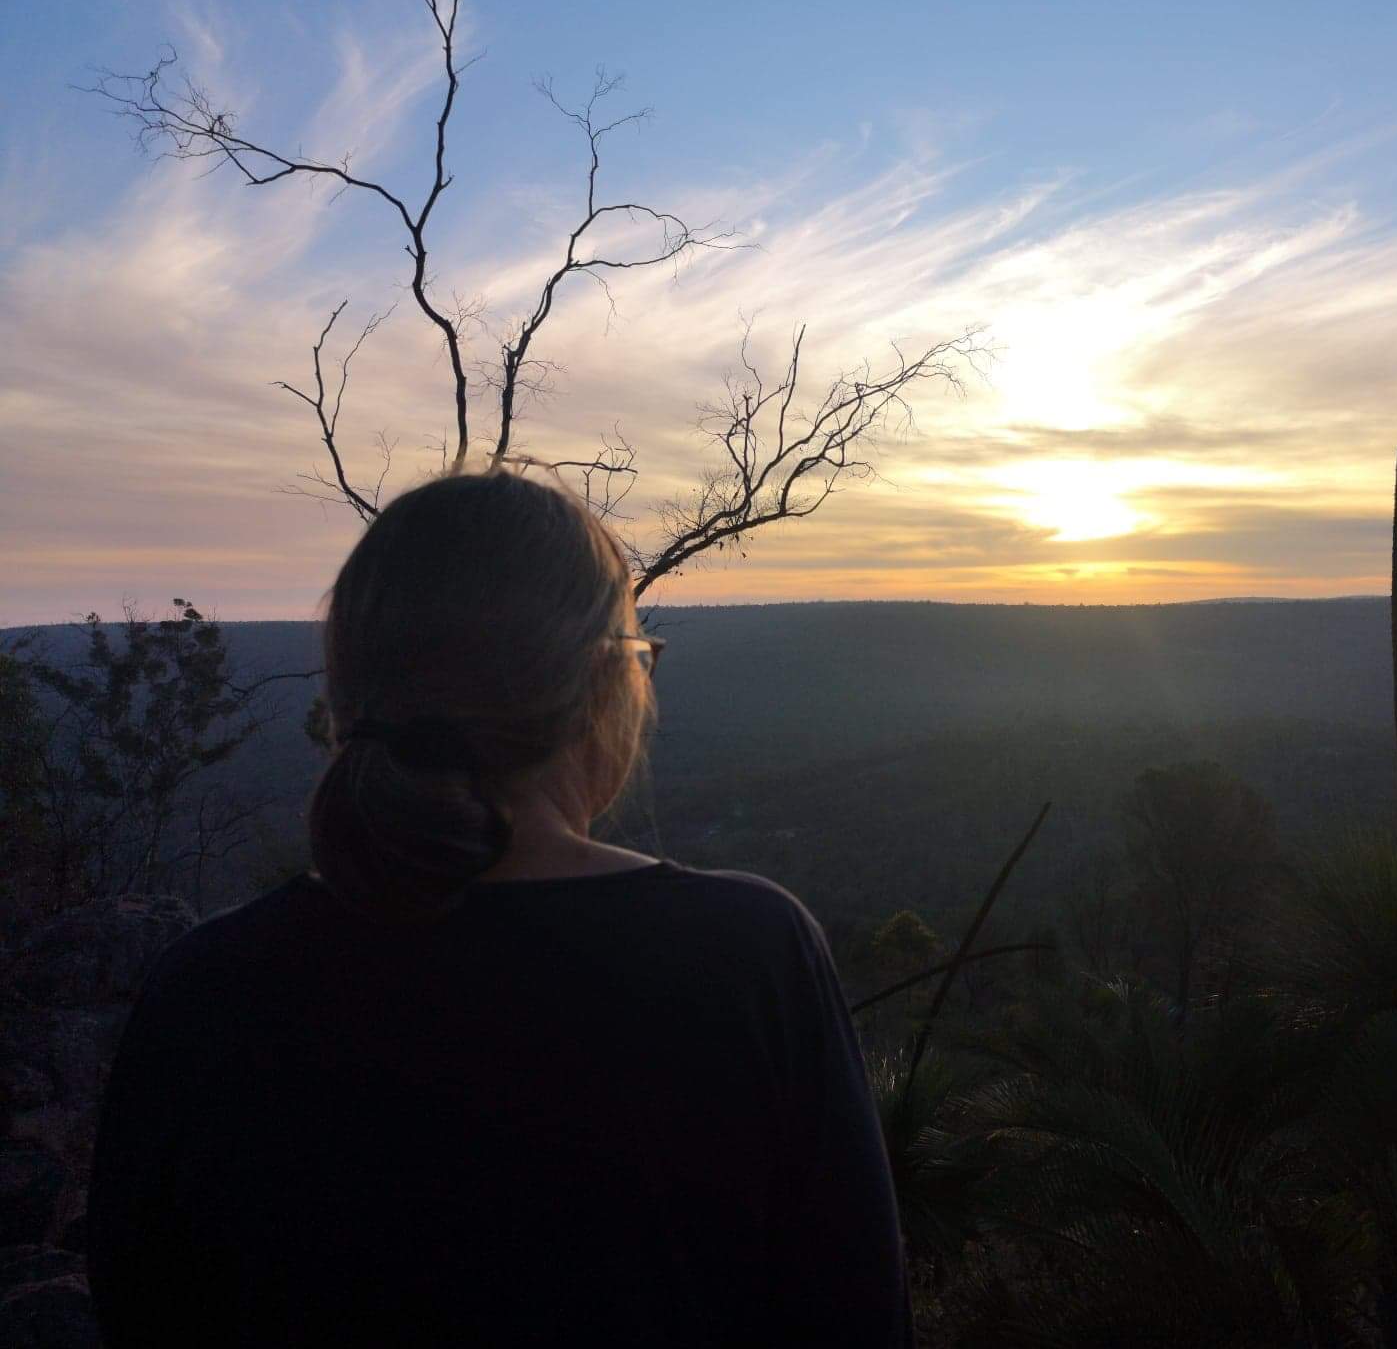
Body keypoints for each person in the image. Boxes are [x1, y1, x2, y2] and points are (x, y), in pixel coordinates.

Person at [86, 471, 912, 1346]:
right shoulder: (747, 959)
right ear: (600, 684)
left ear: (352, 697)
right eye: (639, 657)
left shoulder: (211, 988)